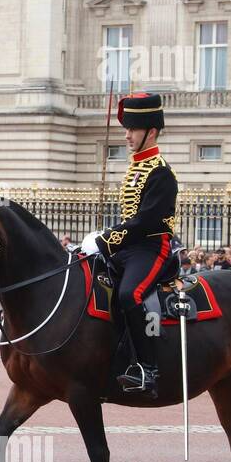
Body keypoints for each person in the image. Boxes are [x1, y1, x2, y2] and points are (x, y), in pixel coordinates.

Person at [80, 92, 177, 398]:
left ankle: (148, 368)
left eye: (132, 129)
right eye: (126, 128)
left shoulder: (161, 171)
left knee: (129, 294)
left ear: (151, 131)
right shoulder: (135, 168)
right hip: (127, 249)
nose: (127, 135)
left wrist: (106, 239)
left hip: (151, 248)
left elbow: (147, 221)